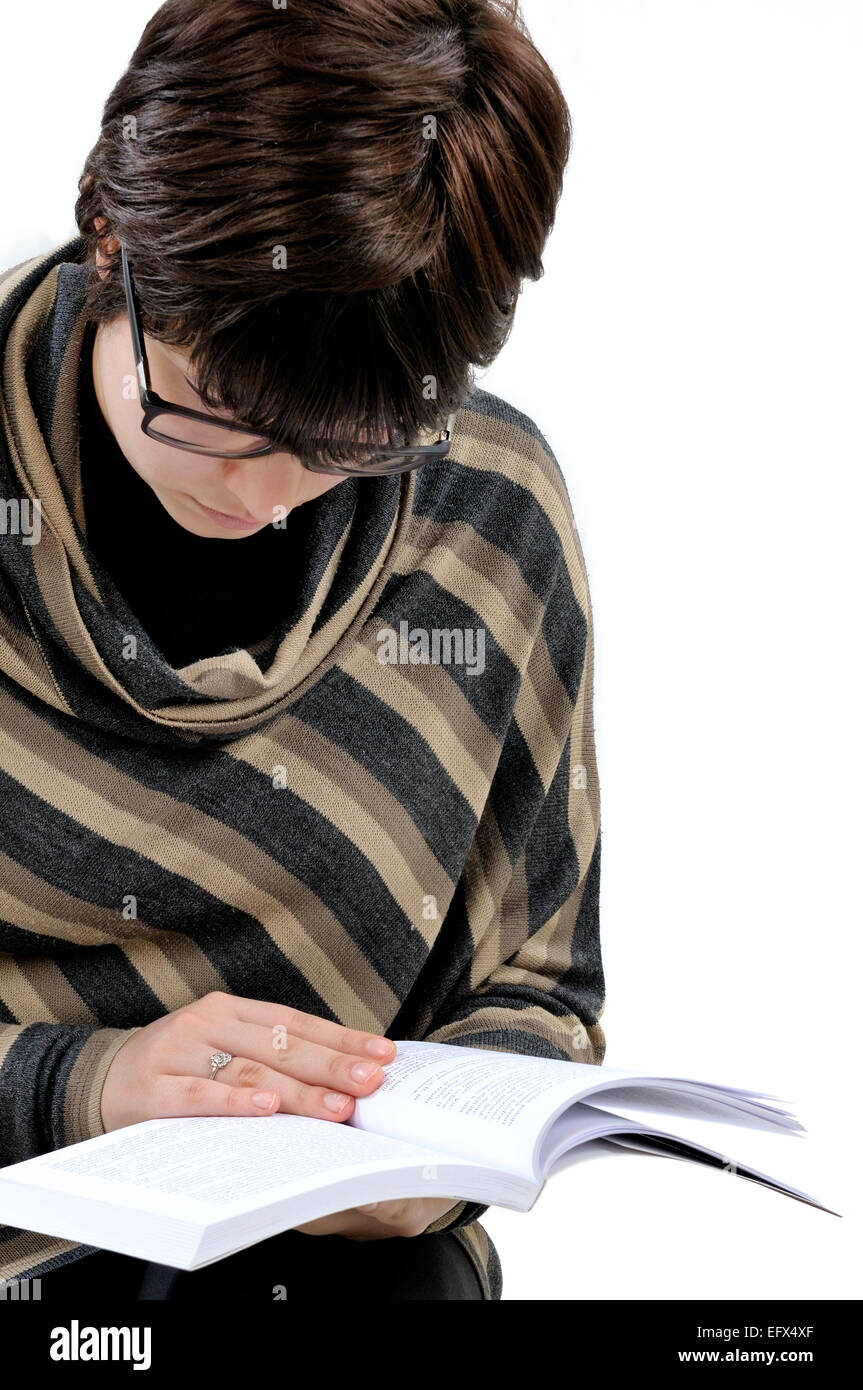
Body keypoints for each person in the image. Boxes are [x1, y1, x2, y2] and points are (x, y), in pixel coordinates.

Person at [0, 0, 605, 1302]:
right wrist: (86, 1082)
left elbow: (540, 989)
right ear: (113, 236)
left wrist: (438, 1160)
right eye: (216, 411)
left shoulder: (488, 513)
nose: (269, 497)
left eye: (345, 444)